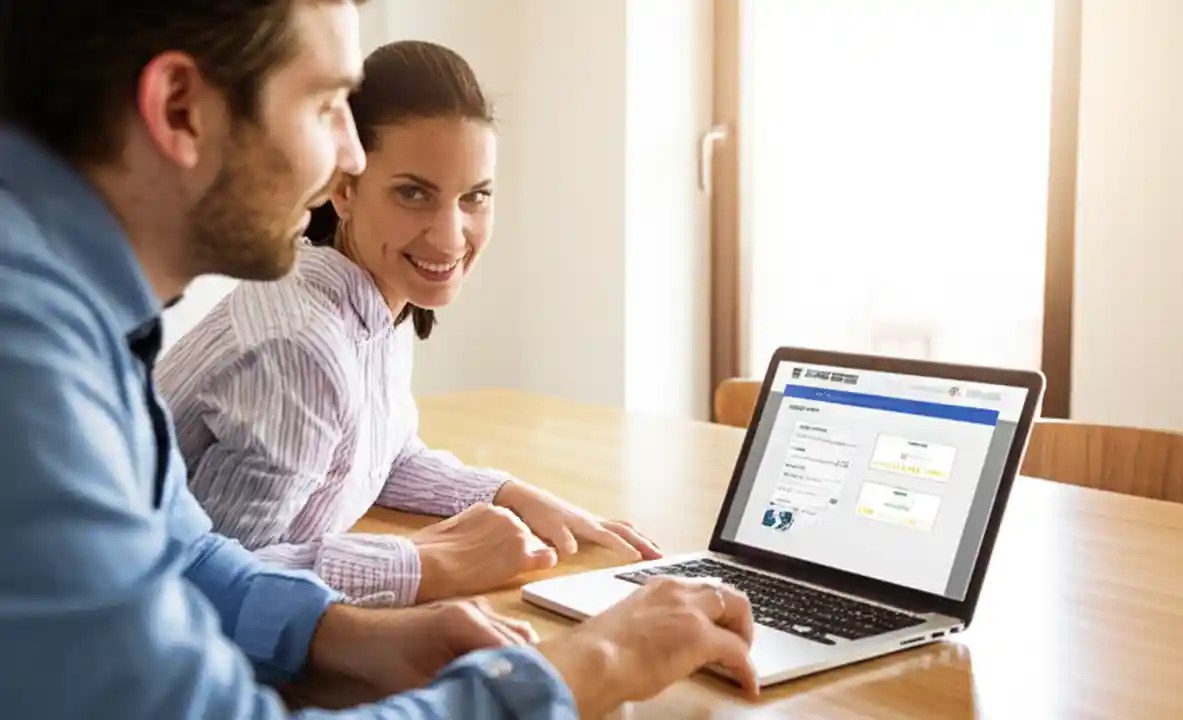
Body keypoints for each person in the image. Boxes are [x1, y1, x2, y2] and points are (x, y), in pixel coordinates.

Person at [0, 1, 757, 718]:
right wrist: (588, 668)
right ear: (178, 109)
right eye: (327, 104)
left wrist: (339, 636)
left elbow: (187, 551)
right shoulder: (28, 366)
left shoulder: (80, 314)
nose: (351, 157)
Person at [155, 40, 659, 608]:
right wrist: (424, 563)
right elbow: (217, 582)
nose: (450, 237)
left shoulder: (372, 303)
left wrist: (512, 495)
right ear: (344, 190)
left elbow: (378, 457)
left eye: (475, 197)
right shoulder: (302, 348)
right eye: (413, 193)